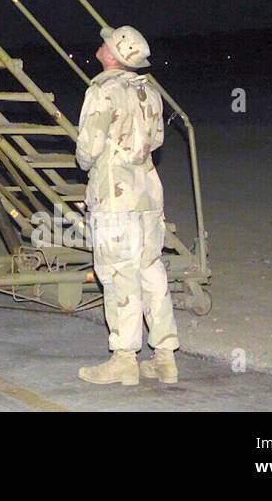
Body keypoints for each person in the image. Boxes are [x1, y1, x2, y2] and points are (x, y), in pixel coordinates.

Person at [75, 25, 180, 386]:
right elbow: (158, 140)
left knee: (119, 274)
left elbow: (88, 149)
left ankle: (124, 359)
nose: (101, 43)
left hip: (114, 197)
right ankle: (165, 357)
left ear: (113, 53)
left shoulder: (103, 91)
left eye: (106, 41)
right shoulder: (150, 92)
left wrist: (92, 167)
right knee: (151, 271)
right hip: (148, 195)